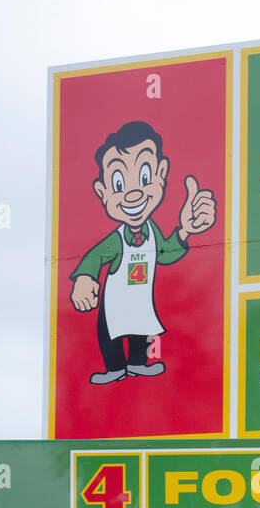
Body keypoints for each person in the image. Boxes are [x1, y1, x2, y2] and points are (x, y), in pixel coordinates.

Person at [69, 119, 217, 385]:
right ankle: (114, 368)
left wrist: (184, 231)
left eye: (145, 176)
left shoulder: (152, 230)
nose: (133, 192)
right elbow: (94, 256)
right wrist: (83, 279)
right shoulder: (116, 240)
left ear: (161, 174)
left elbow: (166, 254)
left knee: (142, 327)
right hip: (114, 302)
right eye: (118, 182)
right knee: (110, 332)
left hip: (140, 298)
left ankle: (138, 363)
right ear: (102, 192)